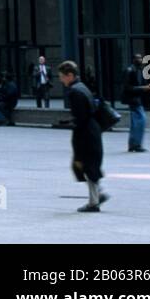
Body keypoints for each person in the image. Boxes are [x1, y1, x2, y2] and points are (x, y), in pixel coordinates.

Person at [59, 61, 108, 212]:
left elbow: (81, 117)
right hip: (92, 130)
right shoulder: (82, 87)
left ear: (70, 75)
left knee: (85, 165)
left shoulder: (74, 91)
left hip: (86, 133)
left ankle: (95, 200)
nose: (61, 80)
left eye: (62, 76)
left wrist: (72, 124)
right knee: (87, 166)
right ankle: (97, 195)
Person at [122, 53, 150, 152]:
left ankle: (133, 144)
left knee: (136, 122)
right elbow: (127, 87)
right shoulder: (130, 70)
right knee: (140, 121)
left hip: (137, 99)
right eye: (138, 58)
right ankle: (136, 144)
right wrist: (143, 88)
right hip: (133, 99)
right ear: (134, 60)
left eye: (140, 58)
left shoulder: (139, 70)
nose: (140, 60)